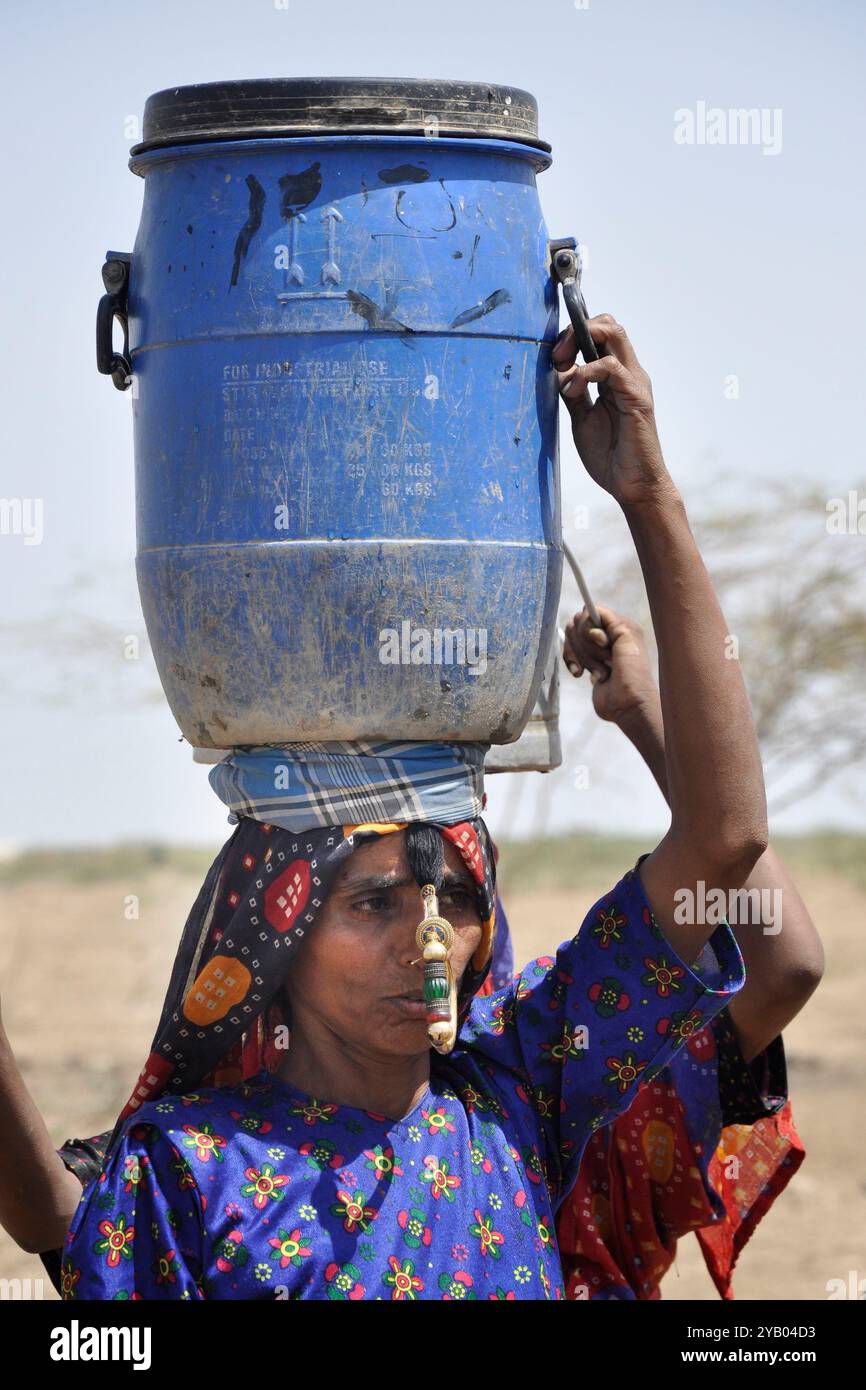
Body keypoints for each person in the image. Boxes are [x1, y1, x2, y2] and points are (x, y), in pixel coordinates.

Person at [0, 314, 821, 1298]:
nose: (427, 945)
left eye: (456, 905)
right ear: (280, 927)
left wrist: (647, 496)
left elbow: (727, 845)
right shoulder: (187, 1170)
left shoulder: (521, 1107)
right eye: (371, 903)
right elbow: (61, 1230)